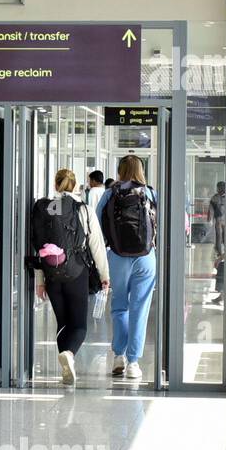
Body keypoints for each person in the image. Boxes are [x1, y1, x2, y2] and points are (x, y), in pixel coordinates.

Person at [31, 170, 109, 385]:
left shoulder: (44, 209)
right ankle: (69, 355)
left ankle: (66, 359)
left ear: (56, 185)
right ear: (75, 186)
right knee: (79, 326)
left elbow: (38, 246)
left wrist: (40, 280)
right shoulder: (83, 209)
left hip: (51, 273)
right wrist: (104, 275)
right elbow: (97, 246)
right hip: (77, 272)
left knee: (63, 323)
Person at [95, 154, 158, 381]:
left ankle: (118, 356)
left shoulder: (110, 193)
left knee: (120, 307)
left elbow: (97, 223)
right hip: (146, 257)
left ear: (120, 170)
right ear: (140, 170)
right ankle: (133, 363)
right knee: (139, 309)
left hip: (117, 257)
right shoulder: (150, 193)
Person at [209, 180, 226, 257]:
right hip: (219, 220)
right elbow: (211, 209)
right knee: (218, 236)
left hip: (225, 220)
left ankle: (224, 252)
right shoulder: (215, 198)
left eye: (222, 188)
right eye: (219, 188)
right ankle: (219, 252)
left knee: (224, 236)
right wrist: (210, 219)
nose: (220, 189)